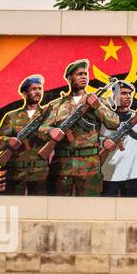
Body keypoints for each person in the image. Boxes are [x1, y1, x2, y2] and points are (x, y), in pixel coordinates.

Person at [41, 59, 119, 197]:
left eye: (85, 73)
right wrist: (51, 132)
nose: (84, 76)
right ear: (70, 78)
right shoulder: (56, 105)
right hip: (62, 166)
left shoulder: (98, 101)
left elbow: (114, 122)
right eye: (79, 74)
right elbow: (42, 129)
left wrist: (97, 107)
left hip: (89, 165)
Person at [0, 74, 52, 195]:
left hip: (40, 172)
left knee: (39, 208)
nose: (38, 92)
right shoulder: (12, 117)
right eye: (34, 89)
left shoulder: (49, 115)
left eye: (40, 88)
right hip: (16, 172)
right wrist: (8, 141)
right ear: (25, 93)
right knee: (14, 207)